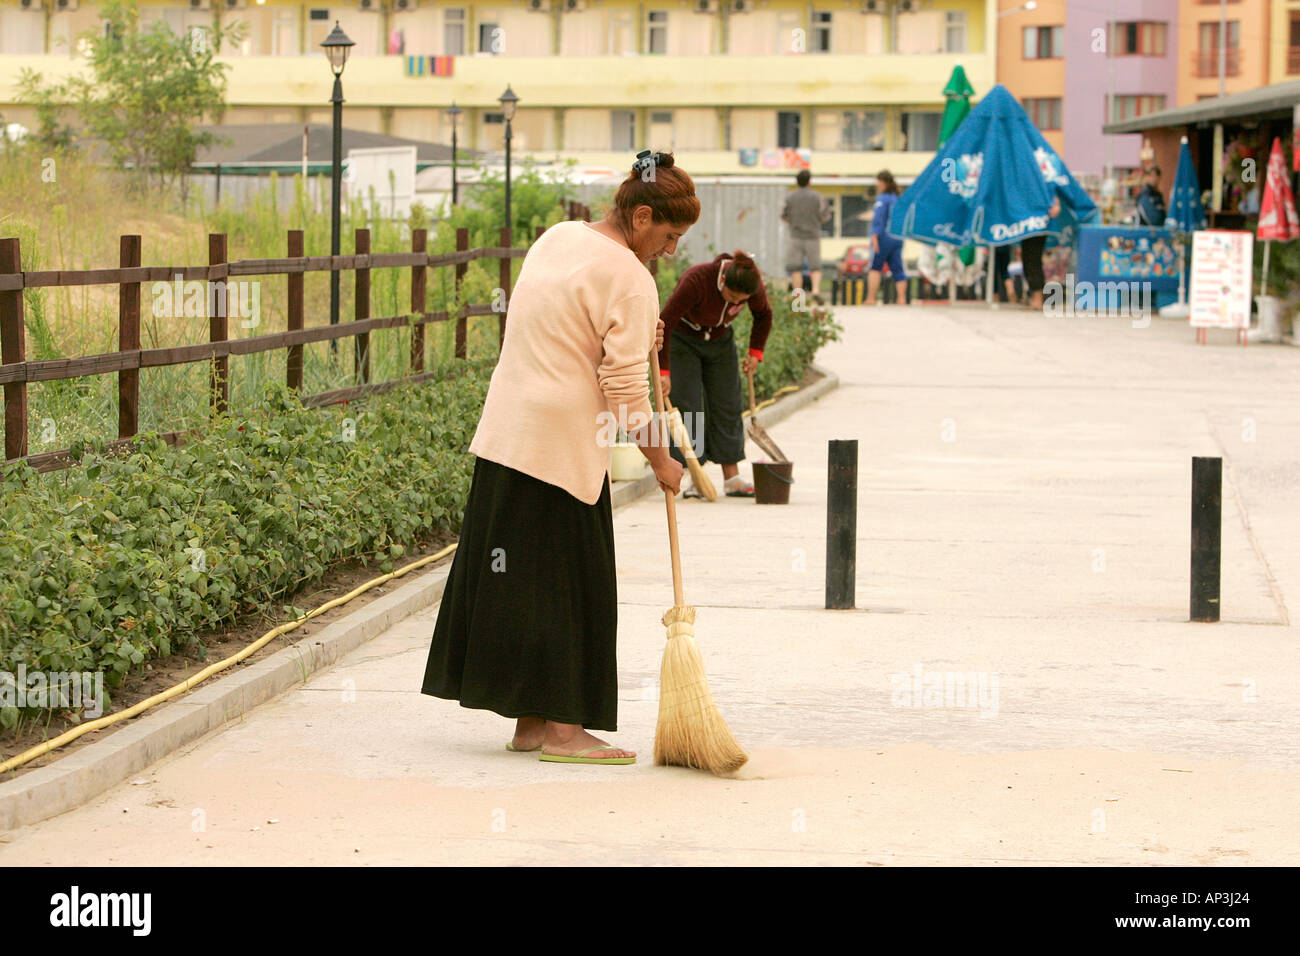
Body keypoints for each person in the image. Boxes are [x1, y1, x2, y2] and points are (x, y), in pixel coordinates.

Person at [421, 150, 697, 766]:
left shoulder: (559, 237)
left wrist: (636, 327)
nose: (671, 250)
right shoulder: (630, 275)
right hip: (561, 449)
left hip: (507, 435)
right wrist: (662, 461)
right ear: (643, 214)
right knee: (574, 591)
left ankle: (531, 725)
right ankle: (567, 733)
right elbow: (625, 391)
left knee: (521, 583)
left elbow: (561, 324)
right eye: (670, 236)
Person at [658, 250, 773, 498]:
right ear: (722, 281)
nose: (735, 303)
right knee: (687, 405)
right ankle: (692, 477)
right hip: (684, 339)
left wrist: (755, 351)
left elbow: (764, 314)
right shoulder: (696, 280)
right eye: (732, 297)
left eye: (740, 302)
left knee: (727, 403)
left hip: (720, 341)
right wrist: (663, 370)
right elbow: (665, 321)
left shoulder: (750, 283)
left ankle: (731, 477)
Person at [782, 168, 830, 297]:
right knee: (815, 267)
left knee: (795, 267)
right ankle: (815, 291)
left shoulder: (790, 198)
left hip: (796, 236)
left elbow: (784, 216)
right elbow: (825, 216)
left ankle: (798, 294)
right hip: (813, 236)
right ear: (809, 181)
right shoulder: (817, 197)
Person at [866, 170, 907, 306]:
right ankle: (901, 298)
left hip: (884, 237)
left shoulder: (882, 199)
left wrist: (875, 237)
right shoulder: (898, 198)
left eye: (878, 182)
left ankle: (871, 299)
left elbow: (878, 219)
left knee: (875, 267)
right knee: (898, 269)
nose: (877, 185)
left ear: (883, 182)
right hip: (898, 238)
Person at [1024, 192, 1062, 311]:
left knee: (1032, 257)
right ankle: (1036, 297)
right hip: (1030, 218)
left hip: (1039, 219)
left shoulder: (1043, 176)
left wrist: (1056, 204)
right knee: (1029, 257)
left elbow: (1053, 189)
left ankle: (1038, 298)